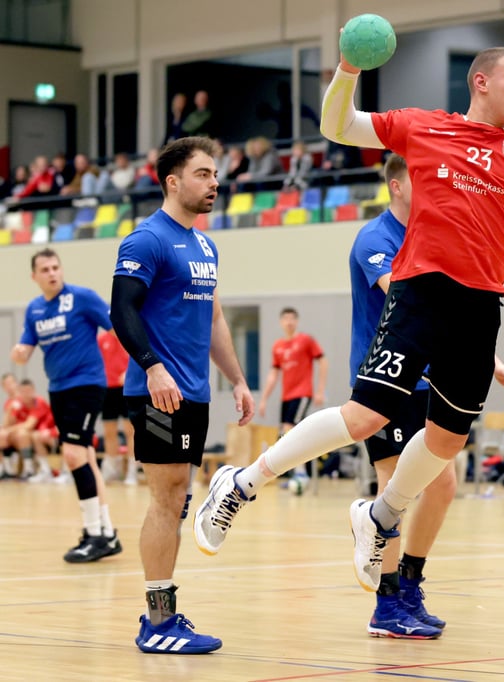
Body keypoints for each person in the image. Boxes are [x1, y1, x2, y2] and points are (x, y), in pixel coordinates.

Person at [193, 42, 504, 598]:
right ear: (480, 82)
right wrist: (349, 70)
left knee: (446, 442)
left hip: (481, 304)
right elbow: (339, 124)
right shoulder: (425, 127)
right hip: (421, 292)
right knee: (365, 416)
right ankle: (241, 482)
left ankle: (380, 516)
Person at [348, 153, 504, 638]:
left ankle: (409, 584)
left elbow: (456, 315)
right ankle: (385, 606)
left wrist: (492, 363)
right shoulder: (375, 239)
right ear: (397, 187)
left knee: (442, 486)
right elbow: (417, 306)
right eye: (419, 181)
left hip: (430, 378)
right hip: (385, 380)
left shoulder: (427, 239)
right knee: (393, 489)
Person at [110, 136, 254, 654]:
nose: (215, 182)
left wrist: (236, 379)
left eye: (215, 174)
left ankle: (164, 615)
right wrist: (152, 368)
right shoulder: (145, 240)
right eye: (203, 174)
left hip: (193, 392)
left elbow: (213, 318)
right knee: (166, 499)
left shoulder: (205, 246)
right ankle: (157, 622)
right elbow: (121, 311)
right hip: (156, 392)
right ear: (173, 182)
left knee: (177, 500)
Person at [11, 249, 122, 561]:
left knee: (72, 455)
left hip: (86, 385)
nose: (52, 273)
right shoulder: (34, 310)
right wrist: (19, 353)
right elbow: (26, 346)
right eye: (45, 269)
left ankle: (94, 535)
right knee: (84, 455)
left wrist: (142, 361)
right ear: (34, 277)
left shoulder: (82, 298)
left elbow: (117, 325)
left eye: (56, 267)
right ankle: (107, 532)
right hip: (58, 389)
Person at [257, 307, 328, 480]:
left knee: (290, 430)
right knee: (287, 432)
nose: (289, 322)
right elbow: (273, 374)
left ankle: (300, 473)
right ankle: (297, 471)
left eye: (292, 319)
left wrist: (320, 390)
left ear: (296, 321)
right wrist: (264, 399)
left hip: (303, 393)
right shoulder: (278, 346)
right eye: (285, 319)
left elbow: (323, 362)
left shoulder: (306, 341)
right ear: (281, 322)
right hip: (286, 396)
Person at [98, 329, 137, 485]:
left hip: (127, 387)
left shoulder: (129, 335)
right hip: (108, 389)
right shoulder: (101, 339)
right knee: (109, 432)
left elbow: (139, 357)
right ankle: (112, 470)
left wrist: (130, 372)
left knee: (130, 431)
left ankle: (132, 472)